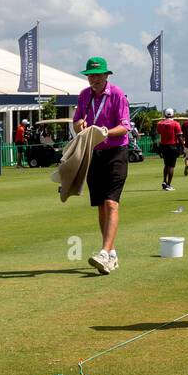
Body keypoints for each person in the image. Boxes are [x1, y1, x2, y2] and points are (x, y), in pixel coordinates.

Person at [72, 56, 131, 275]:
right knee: (100, 205)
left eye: (98, 75)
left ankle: (104, 252)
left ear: (107, 75)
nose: (94, 79)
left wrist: (105, 131)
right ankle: (111, 254)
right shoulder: (84, 95)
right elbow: (77, 122)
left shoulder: (116, 94)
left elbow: (125, 126)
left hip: (116, 151)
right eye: (90, 75)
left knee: (111, 202)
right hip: (93, 152)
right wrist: (80, 125)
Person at [153, 108, 182, 191]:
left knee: (166, 164)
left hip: (163, 146)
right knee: (171, 166)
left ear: (165, 114)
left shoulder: (160, 123)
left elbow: (159, 133)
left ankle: (164, 181)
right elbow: (179, 136)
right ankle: (169, 184)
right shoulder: (176, 123)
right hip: (173, 146)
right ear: (173, 114)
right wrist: (182, 147)